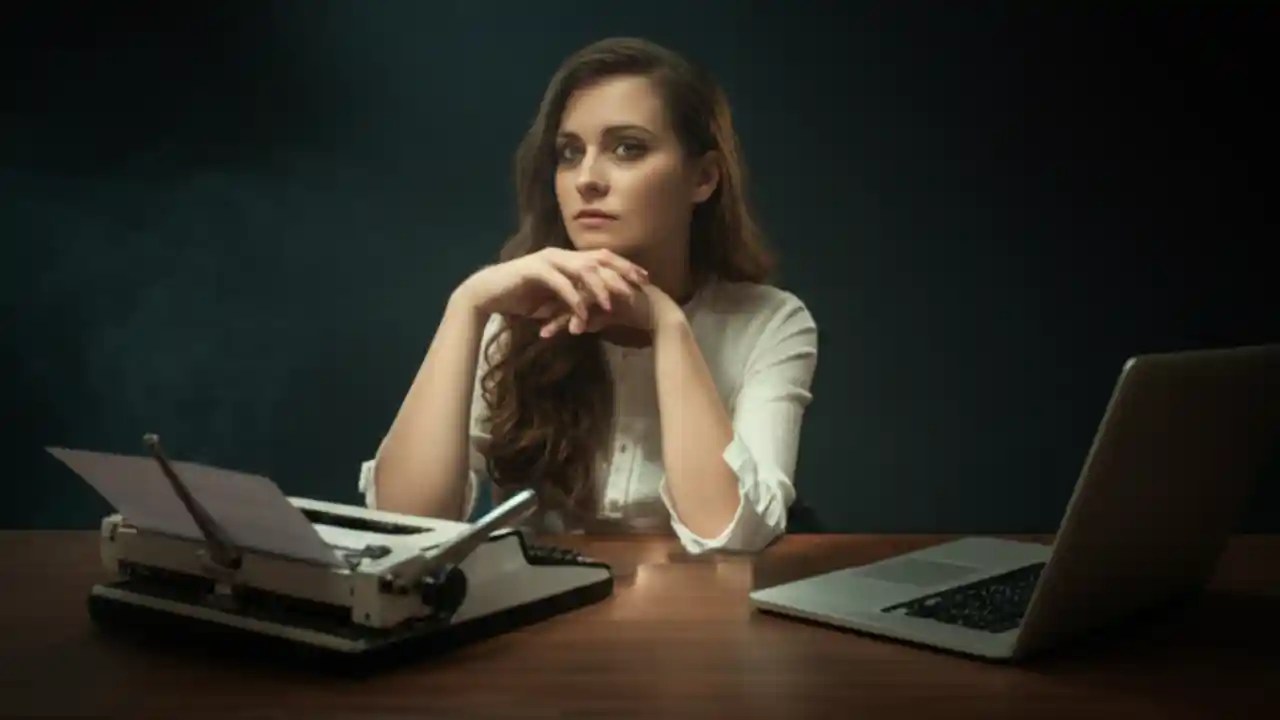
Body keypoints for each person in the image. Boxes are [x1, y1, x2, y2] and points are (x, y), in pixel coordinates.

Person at [359, 37, 818, 554]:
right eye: (569, 153)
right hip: (540, 617)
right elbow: (404, 522)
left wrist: (666, 324)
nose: (587, 180)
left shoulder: (771, 322)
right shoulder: (517, 314)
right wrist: (465, 307)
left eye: (628, 148)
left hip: (703, 620)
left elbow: (732, 535)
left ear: (704, 177)